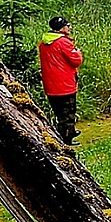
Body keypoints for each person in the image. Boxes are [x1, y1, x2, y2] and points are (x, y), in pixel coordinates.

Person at [37, 15, 83, 145]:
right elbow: (76, 61)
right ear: (61, 28)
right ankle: (67, 138)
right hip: (65, 84)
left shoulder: (43, 43)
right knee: (68, 112)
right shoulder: (63, 43)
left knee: (58, 111)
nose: (69, 27)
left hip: (50, 84)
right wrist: (78, 52)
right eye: (67, 25)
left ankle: (67, 132)